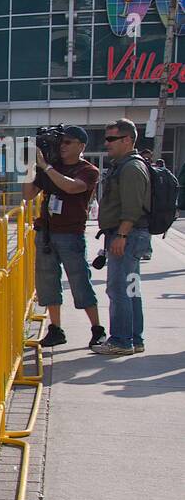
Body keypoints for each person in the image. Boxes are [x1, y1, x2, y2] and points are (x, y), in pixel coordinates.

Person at [22, 125, 104, 349]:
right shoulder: (50, 168)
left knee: (80, 282)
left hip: (70, 234)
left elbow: (72, 187)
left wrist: (46, 167)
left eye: (68, 142)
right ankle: (56, 329)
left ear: (81, 146)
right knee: (47, 283)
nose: (63, 146)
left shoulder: (88, 170)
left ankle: (97, 329)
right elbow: (28, 195)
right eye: (61, 142)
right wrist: (30, 167)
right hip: (47, 233)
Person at [92, 119, 152, 356]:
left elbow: (132, 207)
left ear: (127, 140)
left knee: (119, 289)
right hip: (129, 235)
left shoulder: (131, 168)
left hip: (126, 236)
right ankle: (133, 338)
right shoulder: (126, 165)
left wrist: (121, 234)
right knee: (131, 289)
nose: (106, 144)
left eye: (111, 139)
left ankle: (121, 340)